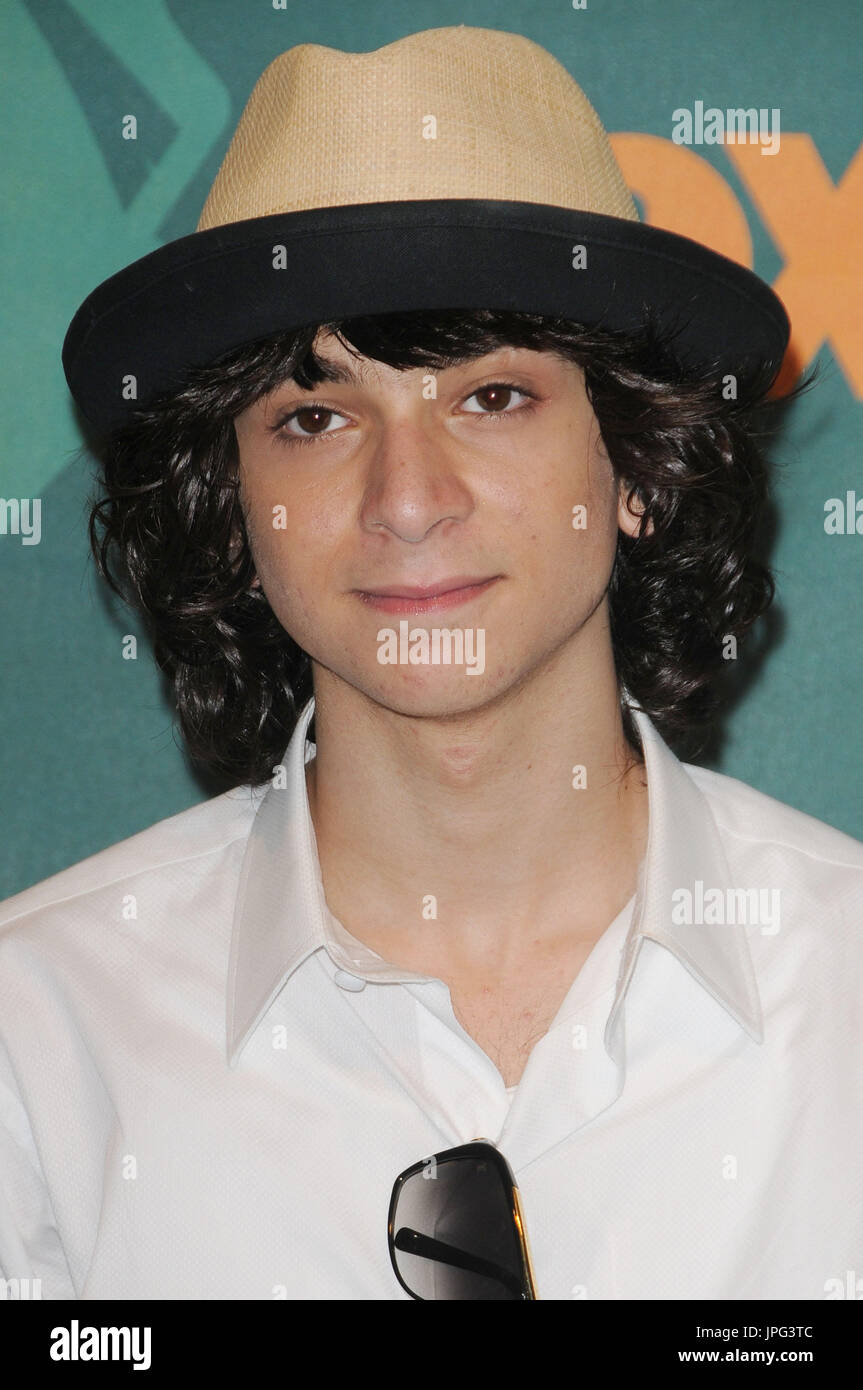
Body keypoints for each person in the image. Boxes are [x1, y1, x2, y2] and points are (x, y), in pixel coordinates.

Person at [1, 25, 861, 1302]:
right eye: (314, 416)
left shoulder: (841, 989)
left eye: (492, 398)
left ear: (633, 466)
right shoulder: (39, 1035)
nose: (407, 498)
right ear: (233, 511)